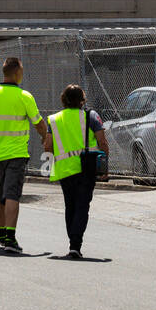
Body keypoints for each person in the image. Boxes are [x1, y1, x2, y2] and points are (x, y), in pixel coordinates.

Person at [0, 56, 48, 253]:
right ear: (16, 73)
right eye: (21, 71)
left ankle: (3, 233)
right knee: (12, 194)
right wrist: (45, 137)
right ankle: (10, 238)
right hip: (17, 154)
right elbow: (38, 122)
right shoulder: (25, 96)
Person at [47, 84, 109, 259]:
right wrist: (104, 166)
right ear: (83, 100)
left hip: (65, 170)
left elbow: (47, 145)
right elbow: (102, 142)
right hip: (87, 168)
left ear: (63, 99)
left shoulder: (54, 119)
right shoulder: (91, 116)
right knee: (82, 206)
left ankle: (73, 242)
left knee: (70, 206)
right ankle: (75, 243)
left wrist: (53, 162)